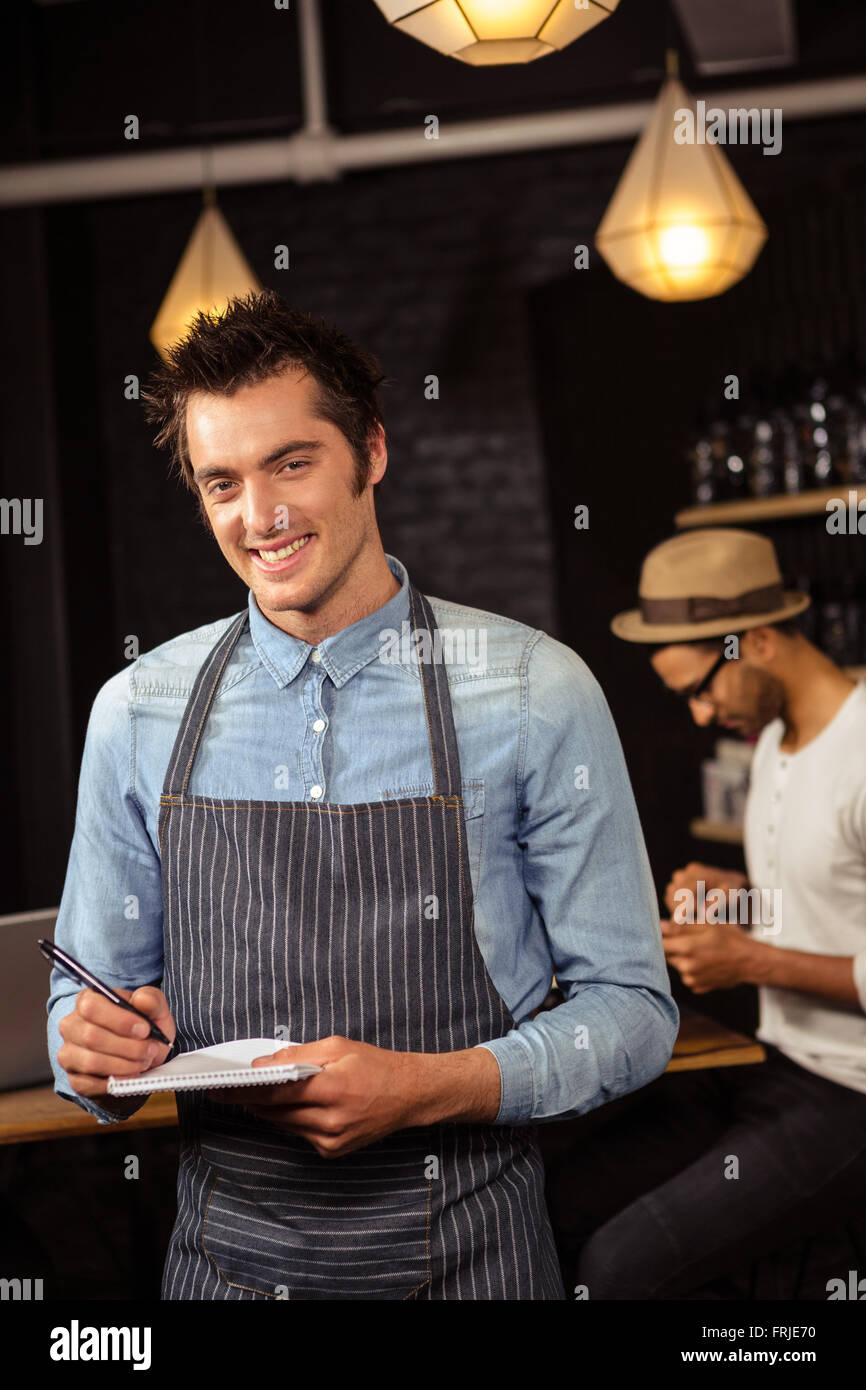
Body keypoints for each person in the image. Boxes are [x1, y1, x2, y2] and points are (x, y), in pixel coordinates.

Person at [46, 289, 677, 1301]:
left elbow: (635, 1013)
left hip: (475, 1258)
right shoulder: (136, 711)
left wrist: (434, 1087)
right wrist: (90, 1049)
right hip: (222, 1264)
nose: (261, 517)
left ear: (370, 452)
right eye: (222, 483)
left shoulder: (531, 691)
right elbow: (84, 1009)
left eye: (291, 463)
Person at [545, 527, 866, 1299]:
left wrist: (750, 960)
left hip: (850, 1096)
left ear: (755, 640)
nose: (695, 715)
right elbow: (838, 903)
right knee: (554, 1201)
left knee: (621, 1268)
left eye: (700, 688)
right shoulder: (777, 742)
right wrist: (742, 898)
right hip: (772, 1064)